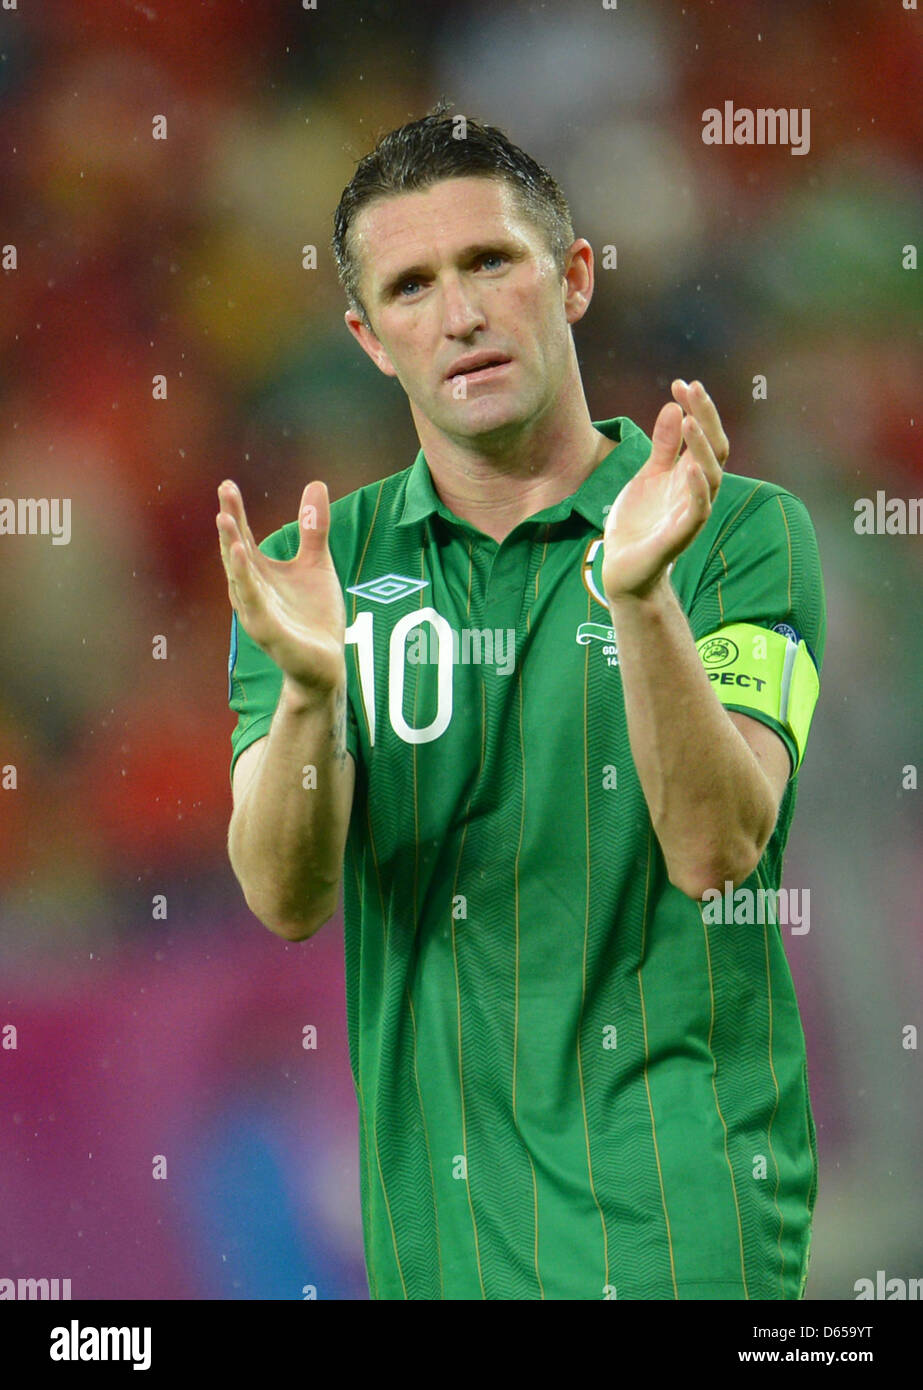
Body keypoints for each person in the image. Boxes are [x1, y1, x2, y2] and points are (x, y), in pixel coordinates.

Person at [217, 105, 825, 1300]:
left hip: (675, 1227)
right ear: (368, 337)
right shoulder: (314, 577)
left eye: (489, 262)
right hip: (433, 1250)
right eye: (410, 287)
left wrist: (639, 595)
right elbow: (284, 899)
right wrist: (305, 692)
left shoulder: (738, 532)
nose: (459, 315)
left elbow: (718, 847)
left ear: (574, 276)